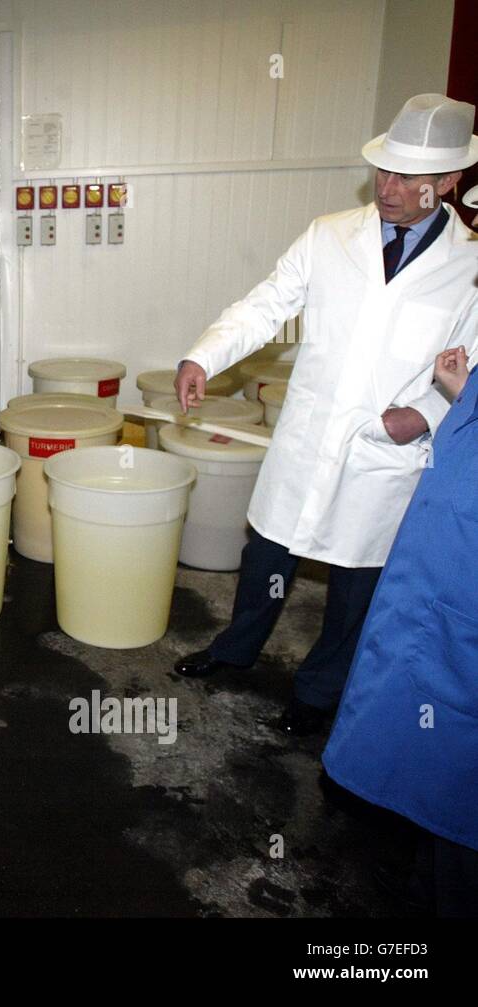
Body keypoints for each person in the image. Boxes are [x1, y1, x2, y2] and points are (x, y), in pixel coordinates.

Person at [170, 94, 478, 736]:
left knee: (356, 581)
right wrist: (203, 357)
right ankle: (234, 653)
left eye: (407, 178)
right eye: (383, 172)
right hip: (310, 435)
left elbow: (470, 361)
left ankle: (319, 691)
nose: (388, 188)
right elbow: (265, 306)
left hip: (384, 450)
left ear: (448, 182)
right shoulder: (330, 235)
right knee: (268, 555)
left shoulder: (470, 268)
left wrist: (422, 414)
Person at [323, 337, 477, 916]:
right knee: (437, 754)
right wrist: (463, 395)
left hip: (463, 600)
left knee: (462, 770)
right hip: (441, 586)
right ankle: (430, 878)